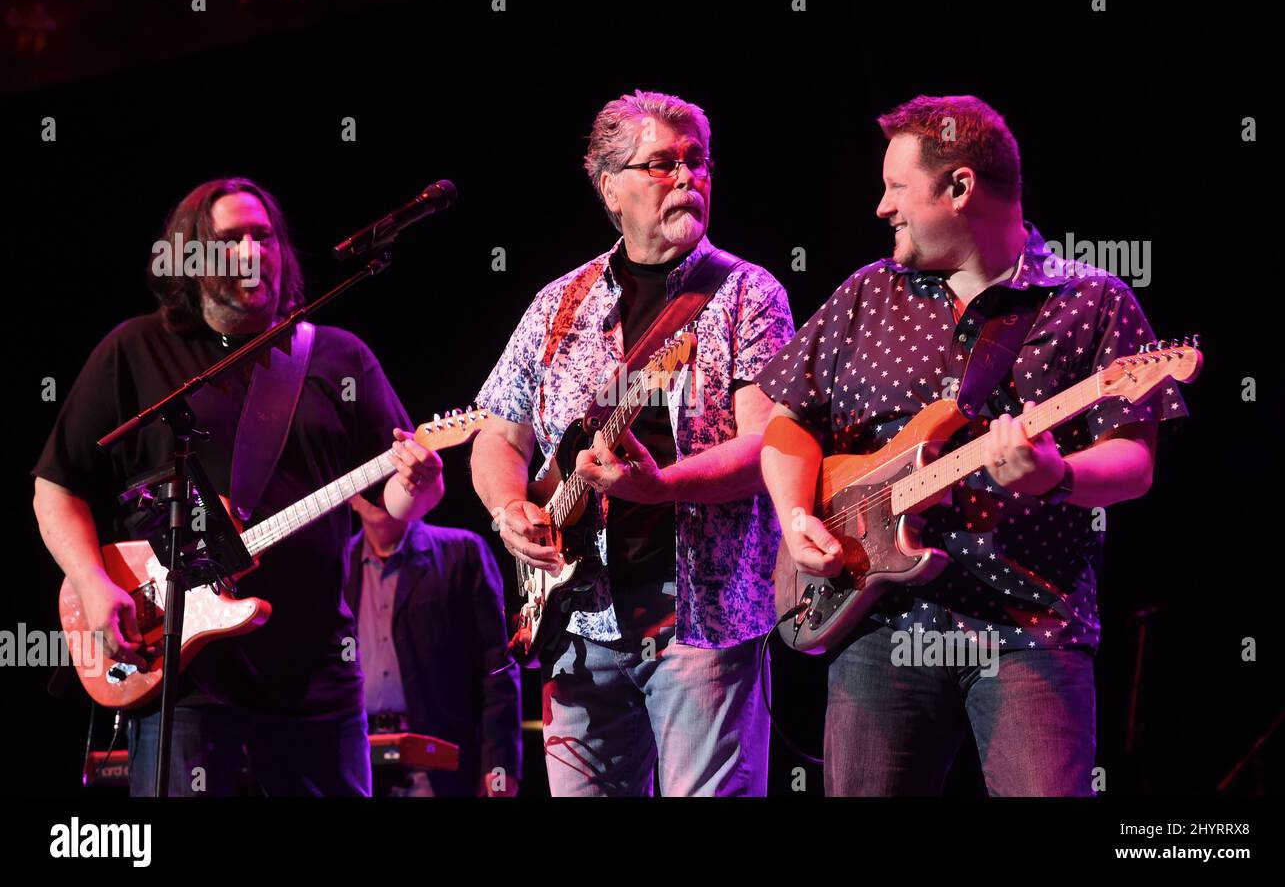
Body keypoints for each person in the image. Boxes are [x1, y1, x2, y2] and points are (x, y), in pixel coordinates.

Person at [759, 95, 1187, 796]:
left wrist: (1056, 475)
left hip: (1029, 631)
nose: (880, 207)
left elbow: (1134, 463)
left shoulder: (1094, 302)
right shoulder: (868, 293)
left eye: (897, 188)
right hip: (877, 625)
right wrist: (794, 517)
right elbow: (786, 424)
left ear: (958, 188)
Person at [33, 177, 443, 796]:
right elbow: (55, 487)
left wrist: (418, 484)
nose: (253, 252)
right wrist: (92, 584)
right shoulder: (136, 351)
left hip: (317, 681)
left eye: (264, 236)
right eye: (230, 240)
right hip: (187, 681)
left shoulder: (338, 358)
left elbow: (391, 512)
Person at [471, 90, 794, 796]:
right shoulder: (558, 305)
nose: (686, 178)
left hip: (701, 621)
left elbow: (767, 444)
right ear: (610, 187)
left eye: (696, 161)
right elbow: (498, 432)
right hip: (577, 619)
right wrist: (509, 509)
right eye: (661, 164)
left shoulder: (747, 295)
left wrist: (662, 487)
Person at [345, 494, 522, 797]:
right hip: (356, 761)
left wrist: (500, 767)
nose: (373, 490)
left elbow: (497, 668)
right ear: (349, 494)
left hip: (439, 763)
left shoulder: (462, 553)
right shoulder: (337, 566)